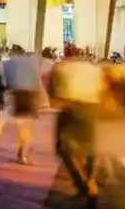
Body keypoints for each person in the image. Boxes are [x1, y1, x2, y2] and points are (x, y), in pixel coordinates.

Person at [51, 50, 105, 207]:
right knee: (91, 147)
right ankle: (92, 182)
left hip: (71, 107)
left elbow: (54, 91)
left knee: (63, 147)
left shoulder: (63, 67)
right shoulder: (96, 69)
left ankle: (81, 182)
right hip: (92, 108)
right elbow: (102, 90)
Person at [3, 46, 42, 164]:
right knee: (27, 127)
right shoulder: (32, 63)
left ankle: (22, 153)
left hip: (18, 95)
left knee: (22, 127)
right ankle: (23, 154)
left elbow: (7, 82)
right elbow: (37, 81)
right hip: (30, 96)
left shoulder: (8, 64)